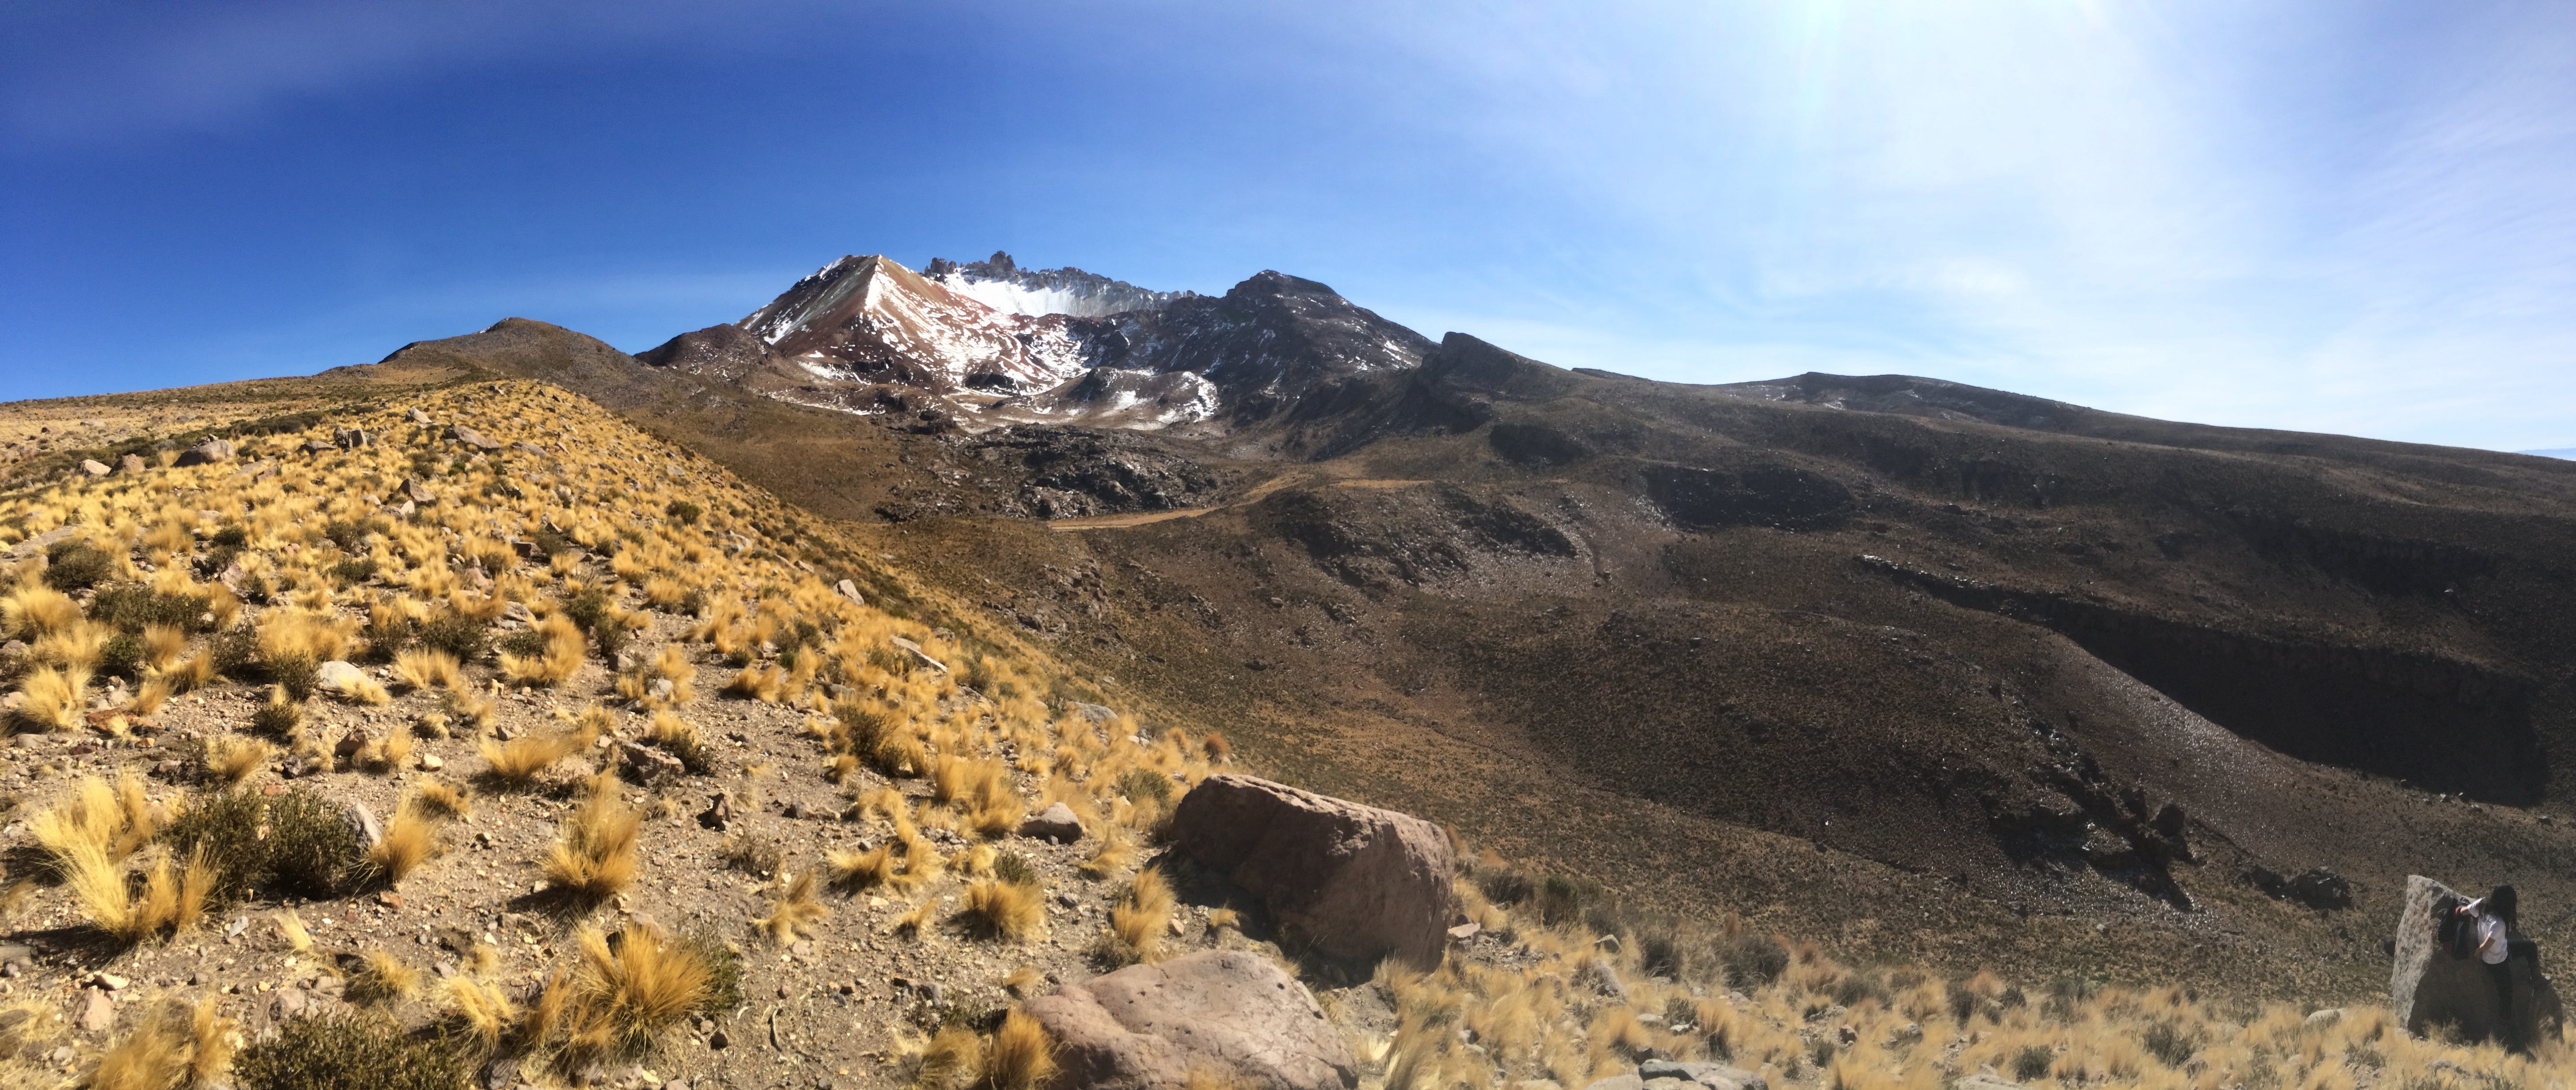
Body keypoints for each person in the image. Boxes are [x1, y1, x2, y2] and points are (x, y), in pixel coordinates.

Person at [2451, 885, 2521, 1048]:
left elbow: (2464, 911)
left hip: (2496, 953)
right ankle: (2505, 1020)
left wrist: (2458, 910)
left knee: (2523, 947)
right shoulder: (2499, 924)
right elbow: (2485, 946)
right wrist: (2479, 952)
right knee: (2507, 991)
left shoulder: (2482, 905)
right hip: (2496, 961)